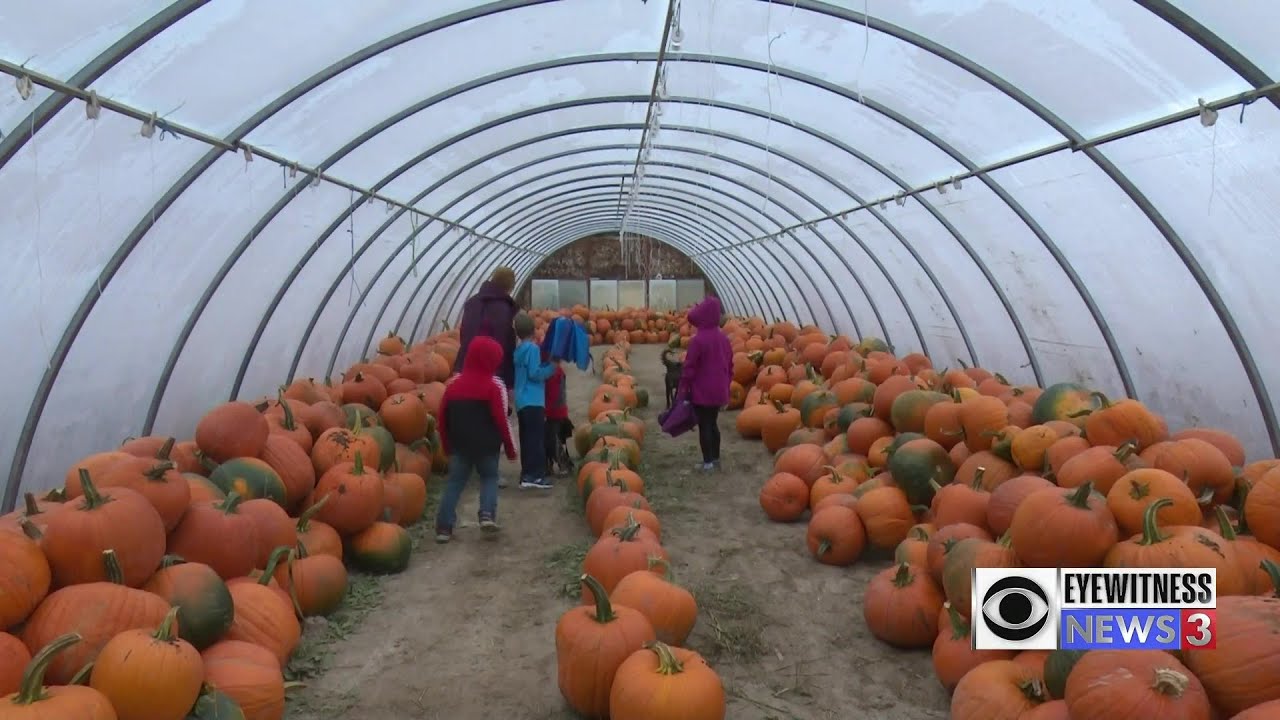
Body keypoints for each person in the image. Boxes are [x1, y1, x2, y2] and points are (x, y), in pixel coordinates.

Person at [434, 336, 517, 543]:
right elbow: (501, 419)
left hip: (460, 446)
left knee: (455, 483)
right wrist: (510, 448)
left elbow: (442, 418)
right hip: (487, 446)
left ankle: (444, 527)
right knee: (489, 478)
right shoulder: (494, 386)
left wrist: (446, 445)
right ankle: (487, 515)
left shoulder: (453, 385)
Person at [453, 267, 519, 486]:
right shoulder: (503, 309)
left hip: (466, 367)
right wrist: (509, 381)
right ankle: (490, 470)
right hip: (492, 371)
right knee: (492, 420)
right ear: (509, 286)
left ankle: (466, 466)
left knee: (469, 417)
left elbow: (464, 336)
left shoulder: (472, 303)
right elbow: (506, 345)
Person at [678, 295, 733, 471]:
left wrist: (684, 389)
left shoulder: (698, 340)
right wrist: (726, 384)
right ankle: (716, 459)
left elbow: (689, 368)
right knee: (713, 423)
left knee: (704, 425)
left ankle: (707, 462)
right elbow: (730, 364)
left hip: (702, 392)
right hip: (719, 391)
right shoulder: (724, 339)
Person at [540, 315, 590, 477]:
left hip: (553, 411)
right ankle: (548, 465)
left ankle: (564, 465)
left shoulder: (553, 371)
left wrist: (546, 411)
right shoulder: (553, 367)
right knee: (551, 438)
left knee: (552, 440)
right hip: (556, 409)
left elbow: (554, 394)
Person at [513, 312, 557, 489]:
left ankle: (526, 474)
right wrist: (551, 368)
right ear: (533, 330)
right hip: (534, 400)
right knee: (537, 439)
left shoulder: (518, 351)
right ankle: (537, 476)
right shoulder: (532, 349)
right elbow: (535, 373)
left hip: (521, 401)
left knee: (526, 439)